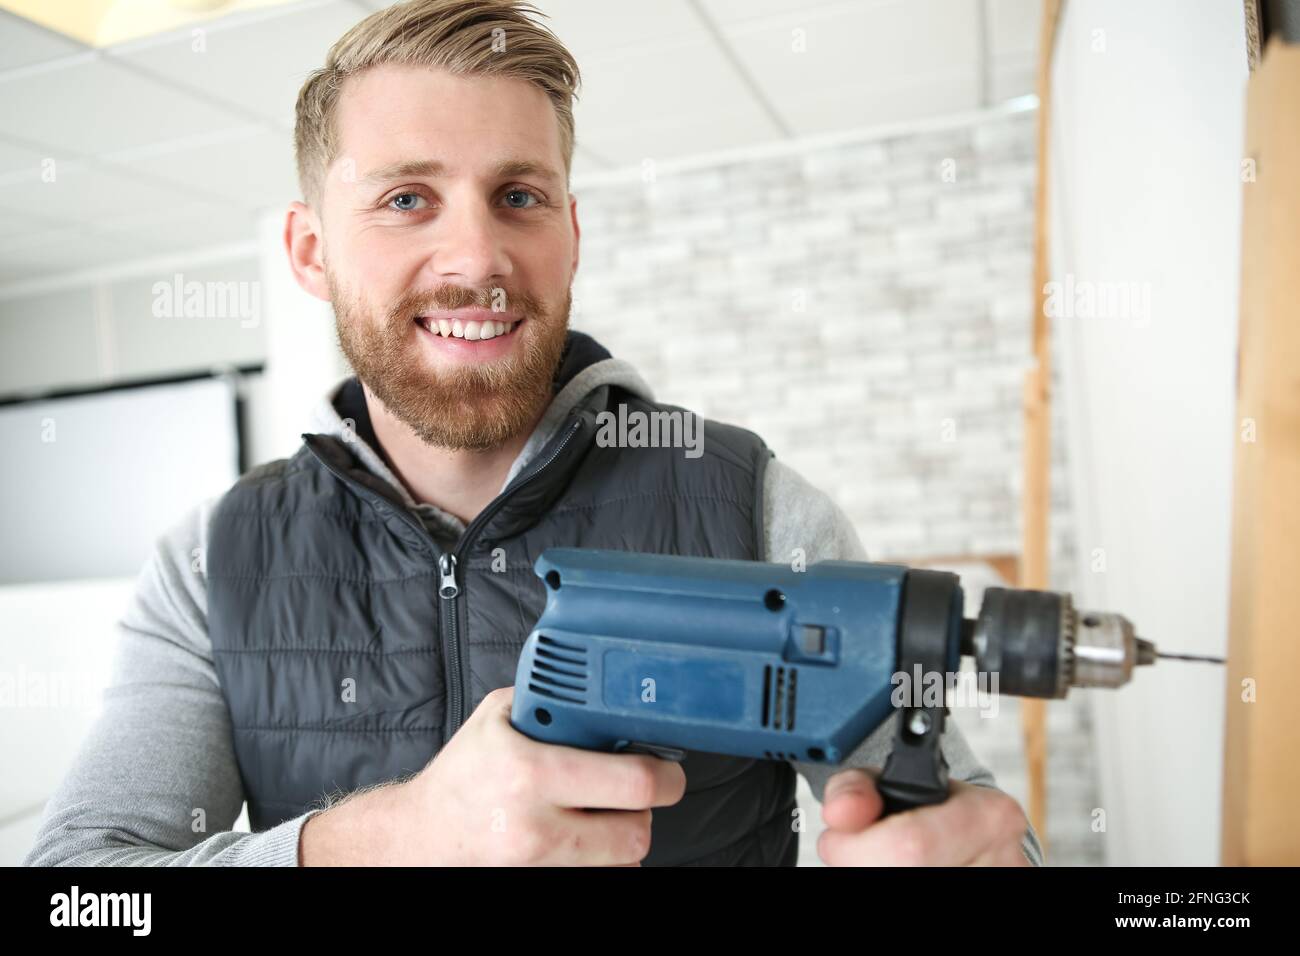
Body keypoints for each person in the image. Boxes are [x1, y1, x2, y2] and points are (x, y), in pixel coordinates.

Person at [25, 0, 1040, 867]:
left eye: (519, 196)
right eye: (406, 199)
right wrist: (384, 838)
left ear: (571, 234)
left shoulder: (754, 502)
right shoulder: (214, 561)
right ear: (310, 249)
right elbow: (80, 890)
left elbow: (961, 820)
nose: (476, 253)